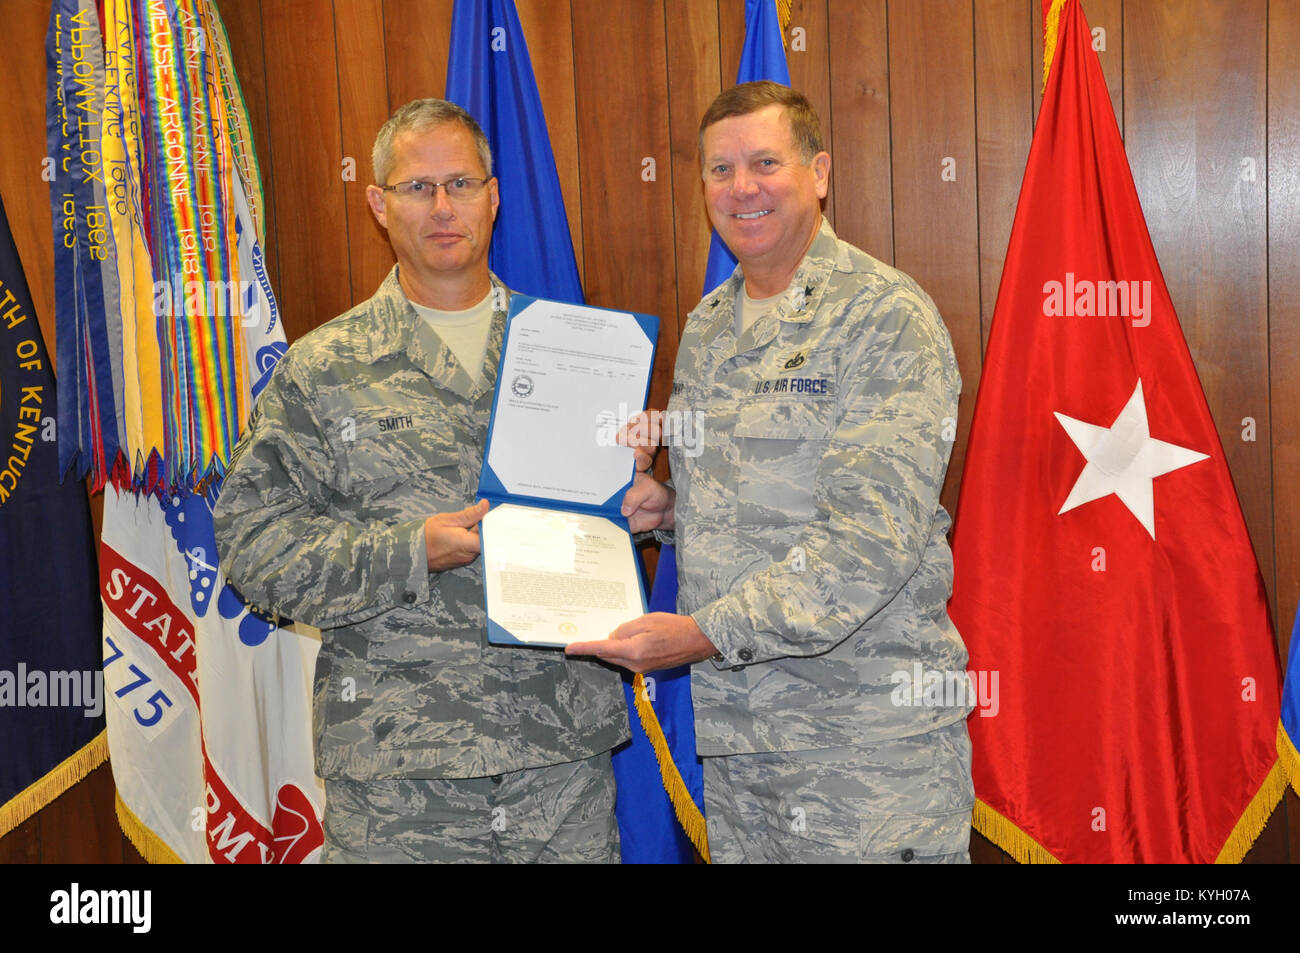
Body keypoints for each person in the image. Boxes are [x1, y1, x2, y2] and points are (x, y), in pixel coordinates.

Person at [568, 81, 974, 863]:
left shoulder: (884, 316)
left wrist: (699, 633)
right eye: (720, 170)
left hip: (864, 757)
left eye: (764, 162)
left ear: (819, 173)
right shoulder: (711, 324)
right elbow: (760, 495)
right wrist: (673, 510)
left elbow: (867, 546)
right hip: (743, 750)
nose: (741, 188)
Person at [214, 99, 628, 863]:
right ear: (378, 204)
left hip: (558, 771)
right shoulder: (322, 369)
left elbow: (608, 518)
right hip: (401, 784)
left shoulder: (574, 352)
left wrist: (649, 511)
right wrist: (407, 552)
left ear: (494, 197)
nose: (443, 207)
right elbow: (251, 547)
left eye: (462, 184)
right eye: (417, 187)